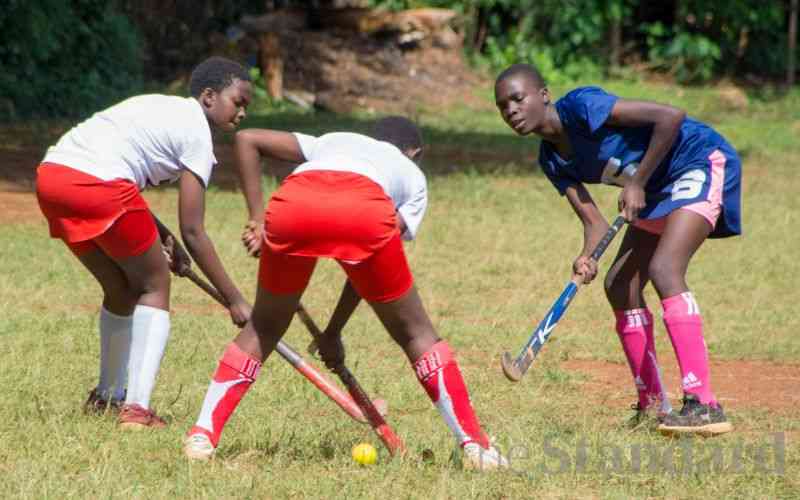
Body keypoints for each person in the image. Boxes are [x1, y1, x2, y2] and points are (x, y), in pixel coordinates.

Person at [183, 117, 508, 469]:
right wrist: (334, 331)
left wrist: (258, 220)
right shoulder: (411, 175)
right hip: (364, 210)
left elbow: (247, 139)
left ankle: (202, 435)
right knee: (417, 333)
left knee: (263, 326)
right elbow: (367, 261)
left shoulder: (332, 139)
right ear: (415, 153)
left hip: (293, 204)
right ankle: (476, 446)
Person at [494, 64, 740, 437]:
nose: (511, 110)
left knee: (665, 269)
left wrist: (637, 182)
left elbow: (671, 117)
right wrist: (585, 257)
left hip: (696, 159)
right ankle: (653, 404)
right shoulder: (552, 159)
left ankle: (703, 403)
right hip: (654, 190)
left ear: (543, 95)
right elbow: (593, 223)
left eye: (517, 98)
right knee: (619, 284)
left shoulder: (581, 106)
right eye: (503, 106)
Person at [35, 56, 253, 429]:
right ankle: (137, 410)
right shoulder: (197, 133)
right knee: (154, 285)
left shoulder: (162, 107)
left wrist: (163, 237)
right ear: (208, 96)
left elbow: (124, 181)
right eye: (238, 101)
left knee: (120, 288)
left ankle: (106, 396)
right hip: (97, 185)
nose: (243, 112)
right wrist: (235, 299)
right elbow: (195, 232)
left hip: (52, 179)